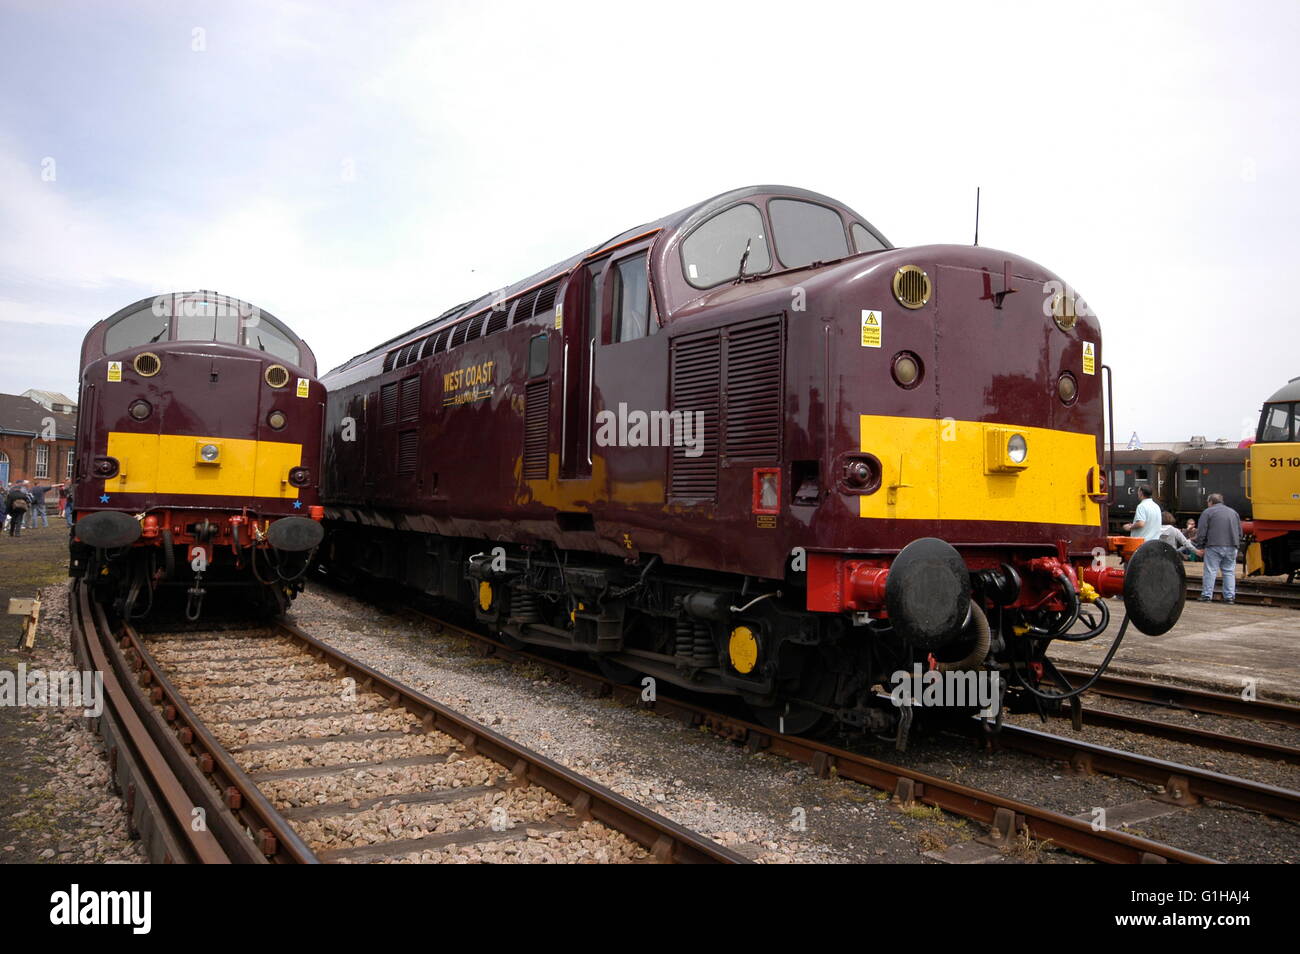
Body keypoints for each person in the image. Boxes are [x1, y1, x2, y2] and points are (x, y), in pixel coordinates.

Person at [1193, 493, 1242, 604]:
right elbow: (1240, 531)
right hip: (1232, 545)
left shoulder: (1208, 512)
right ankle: (1229, 597)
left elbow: (1202, 531)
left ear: (1210, 502)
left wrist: (1200, 546)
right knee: (1229, 571)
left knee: (1210, 571)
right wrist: (1236, 544)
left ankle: (1206, 596)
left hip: (1214, 546)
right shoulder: (1233, 512)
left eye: (1207, 502)